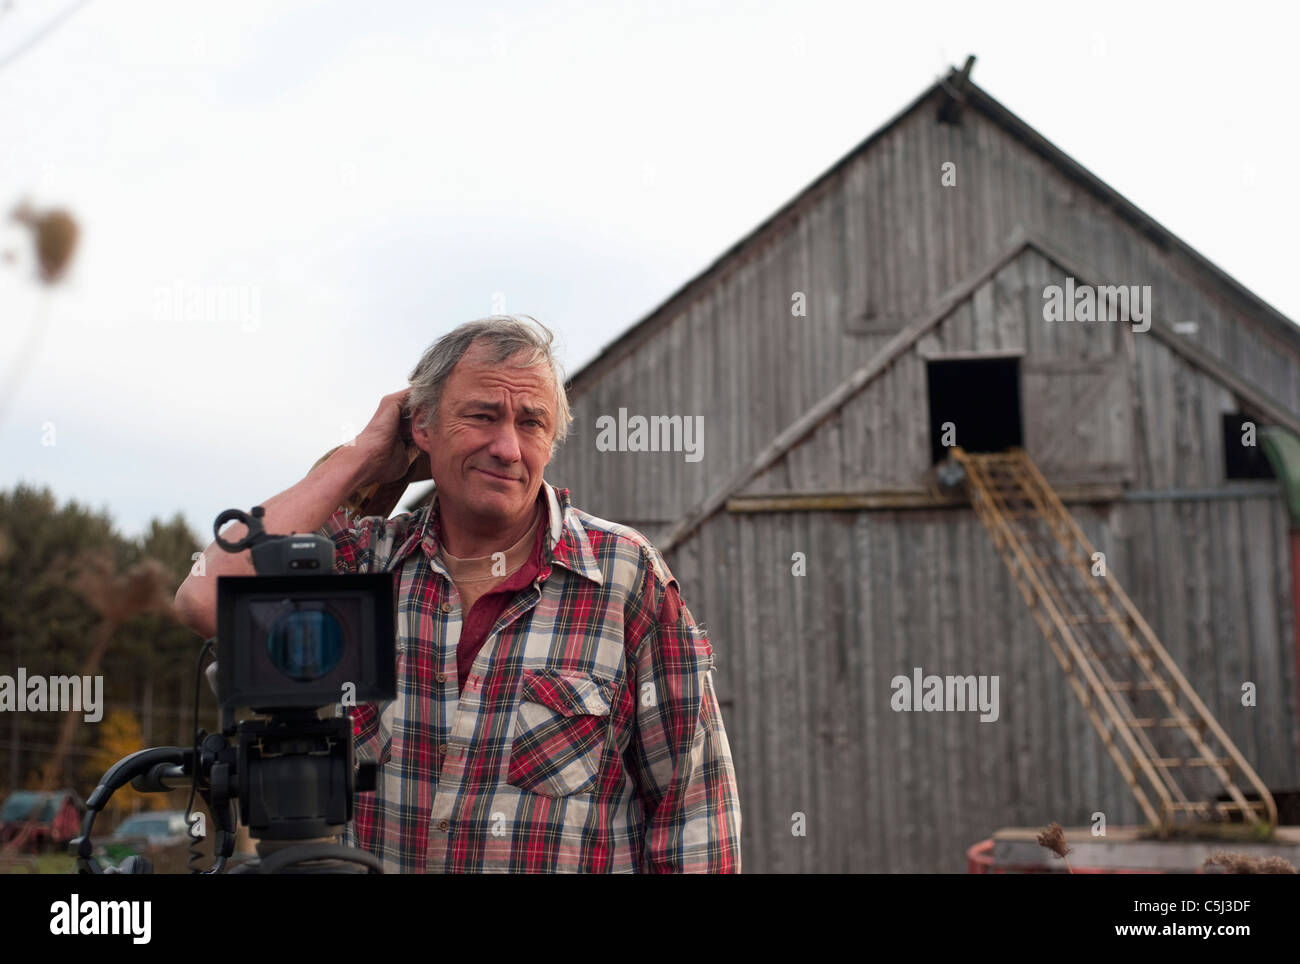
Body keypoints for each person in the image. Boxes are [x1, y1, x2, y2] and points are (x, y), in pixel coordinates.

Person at [173, 315, 742, 873]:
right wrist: (362, 457)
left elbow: (696, 816)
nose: (507, 447)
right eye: (482, 416)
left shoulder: (623, 574)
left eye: (531, 423)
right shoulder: (364, 561)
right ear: (422, 427)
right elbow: (203, 598)